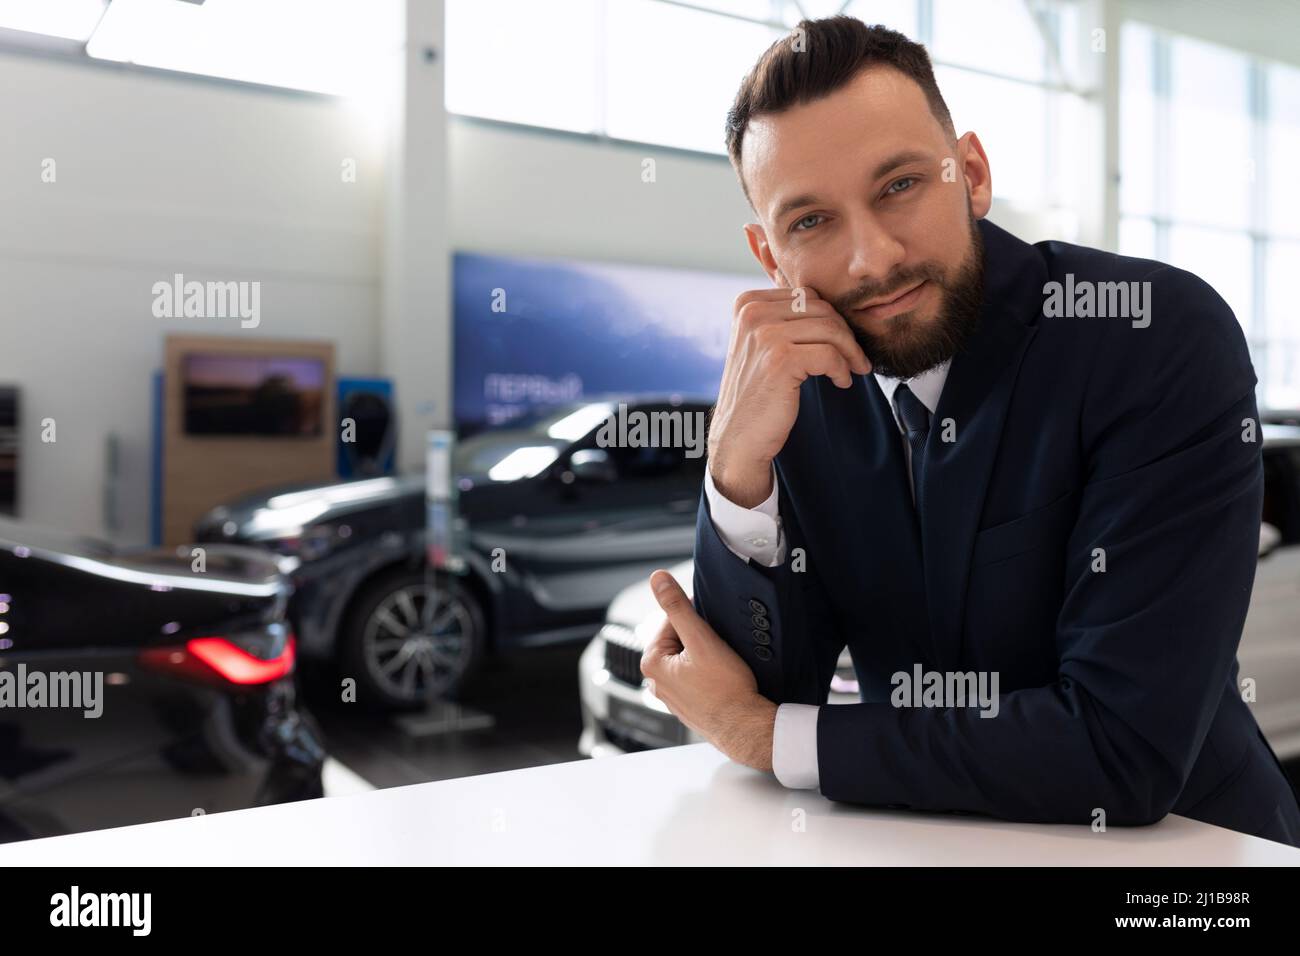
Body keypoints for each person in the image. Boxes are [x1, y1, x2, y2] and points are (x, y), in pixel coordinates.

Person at [638, 15, 1300, 846]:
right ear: (768, 256)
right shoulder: (798, 386)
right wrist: (735, 470)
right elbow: (760, 683)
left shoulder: (1153, 336)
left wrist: (771, 738)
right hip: (922, 845)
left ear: (973, 174)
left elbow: (1120, 747)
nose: (871, 261)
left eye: (899, 186)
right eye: (810, 222)